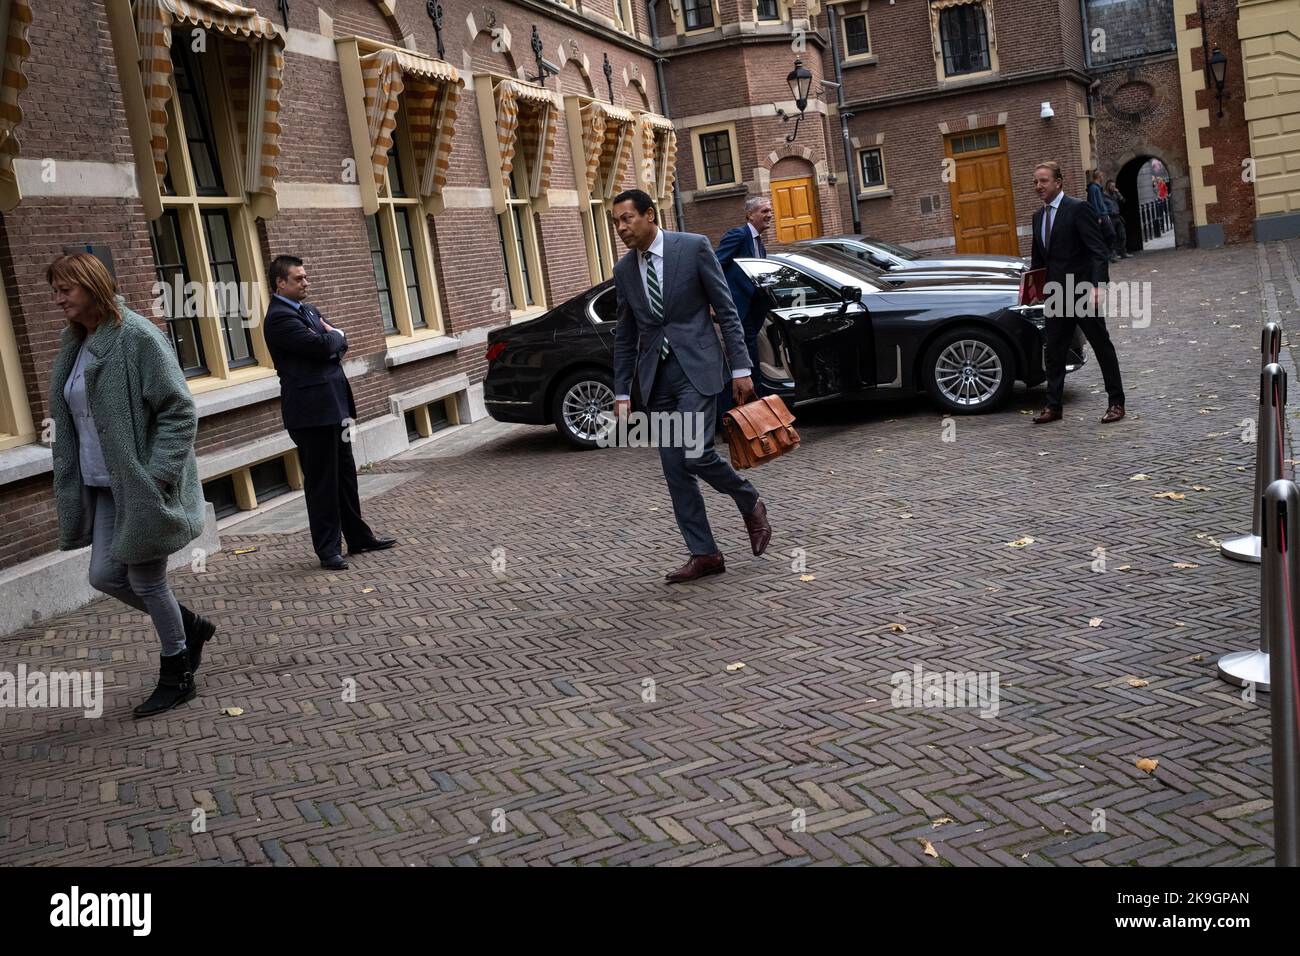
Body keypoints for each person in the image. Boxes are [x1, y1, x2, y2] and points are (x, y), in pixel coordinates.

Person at [46, 253, 214, 718]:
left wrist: (157, 476)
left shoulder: (138, 337)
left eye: (65, 290)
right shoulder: (76, 342)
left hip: (141, 484)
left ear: (91, 286)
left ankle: (176, 672)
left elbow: (179, 410)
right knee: (104, 575)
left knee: (145, 578)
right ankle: (189, 627)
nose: (57, 299)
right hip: (102, 484)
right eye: (55, 290)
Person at [610, 189, 772, 583]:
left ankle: (747, 498)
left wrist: (741, 368)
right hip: (656, 381)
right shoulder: (625, 271)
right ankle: (705, 553)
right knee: (674, 467)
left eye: (626, 219)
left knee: (696, 454)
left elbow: (728, 311)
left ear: (650, 215)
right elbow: (625, 336)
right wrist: (622, 392)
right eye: (616, 222)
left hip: (697, 369)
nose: (620, 228)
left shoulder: (694, 247)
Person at [263, 255, 395, 570]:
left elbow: (337, 342)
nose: (305, 283)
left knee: (346, 476)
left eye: (305, 277)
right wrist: (332, 338)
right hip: (311, 414)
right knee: (322, 482)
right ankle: (327, 549)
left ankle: (358, 537)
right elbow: (326, 346)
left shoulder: (308, 311)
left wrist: (332, 339)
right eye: (298, 279)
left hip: (336, 407)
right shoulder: (279, 318)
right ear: (281, 283)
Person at [1029, 161, 1126, 425]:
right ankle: (1053, 406)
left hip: (1083, 292)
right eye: (1036, 182)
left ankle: (1116, 402)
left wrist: (1098, 286)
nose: (1039, 186)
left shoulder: (1078, 209)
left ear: (1058, 182)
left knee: (1101, 346)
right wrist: (1033, 289)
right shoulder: (1038, 217)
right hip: (1055, 295)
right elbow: (1038, 259)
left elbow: (1098, 251)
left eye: (1044, 181)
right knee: (1055, 352)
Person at [715, 197, 774, 408]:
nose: (769, 214)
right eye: (764, 211)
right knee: (745, 359)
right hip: (738, 310)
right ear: (750, 215)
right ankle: (750, 408)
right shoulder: (739, 235)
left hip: (753, 311)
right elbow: (714, 266)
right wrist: (716, 301)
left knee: (751, 356)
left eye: (770, 210)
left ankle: (755, 403)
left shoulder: (759, 242)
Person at [1087, 170, 1119, 263]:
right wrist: (1098, 216)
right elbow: (1094, 203)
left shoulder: (1098, 188)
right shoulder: (1094, 188)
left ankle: (1109, 254)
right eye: (1102, 176)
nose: (1103, 178)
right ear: (1099, 177)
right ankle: (1108, 254)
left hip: (1104, 213)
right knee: (1110, 233)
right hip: (1101, 215)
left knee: (1109, 234)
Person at [1104, 180, 1130, 258]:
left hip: (1117, 216)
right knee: (1113, 236)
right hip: (1110, 217)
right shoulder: (1104, 195)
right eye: (1112, 186)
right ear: (1108, 186)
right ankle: (1113, 254)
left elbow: (1123, 201)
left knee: (1122, 235)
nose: (1113, 188)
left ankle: (1123, 252)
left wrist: (1118, 192)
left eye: (1114, 186)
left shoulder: (1115, 194)